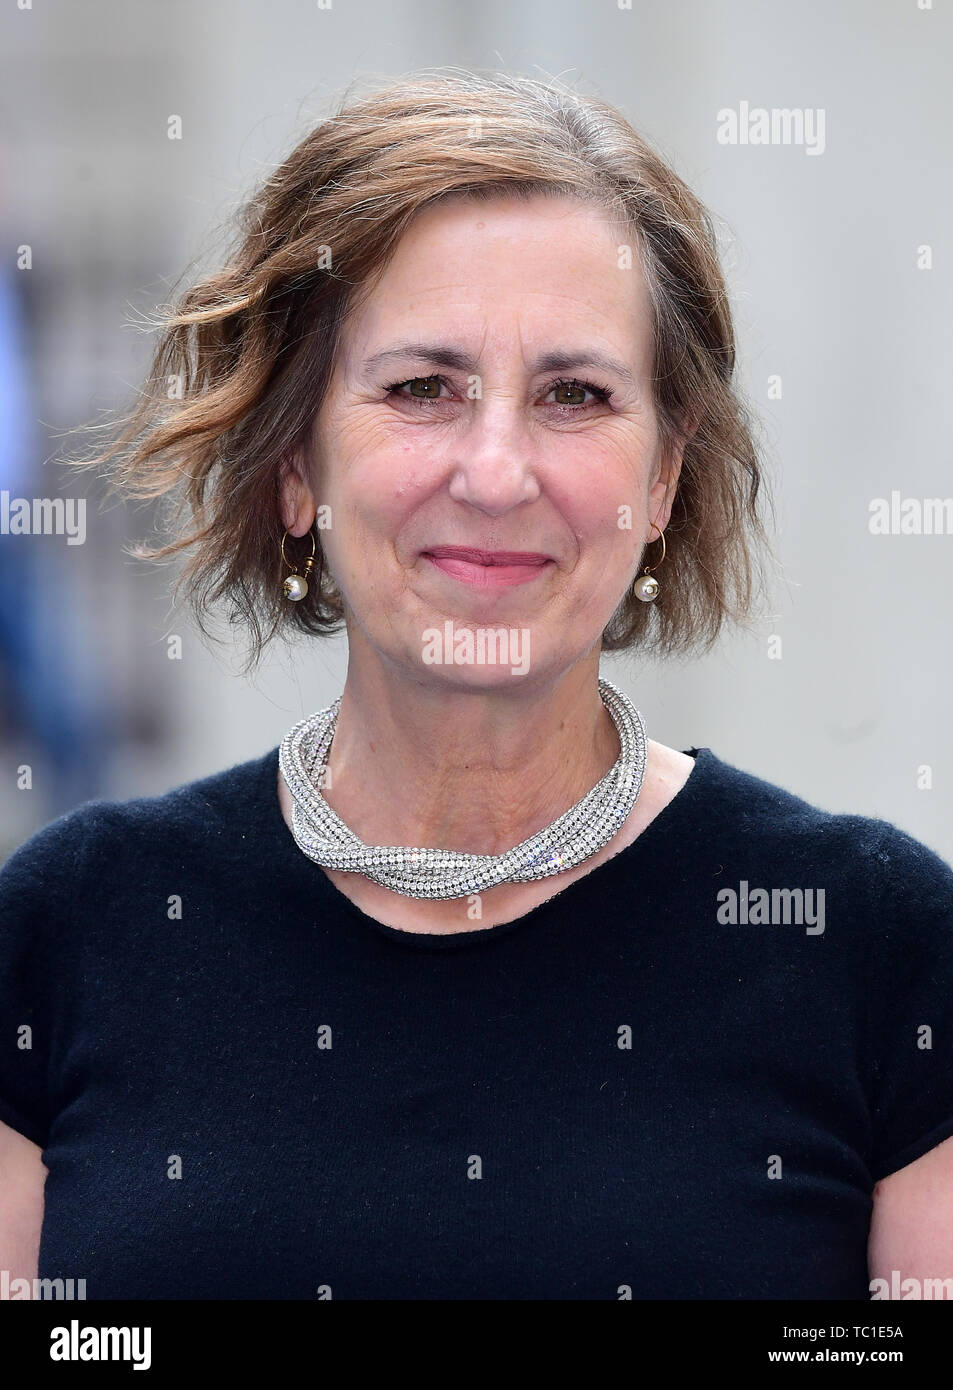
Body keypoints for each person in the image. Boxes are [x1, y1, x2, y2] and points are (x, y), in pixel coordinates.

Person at [1, 70, 952, 1302]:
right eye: (419, 388)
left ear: (661, 481)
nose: (495, 472)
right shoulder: (70, 930)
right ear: (294, 463)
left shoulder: (872, 943)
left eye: (574, 395)